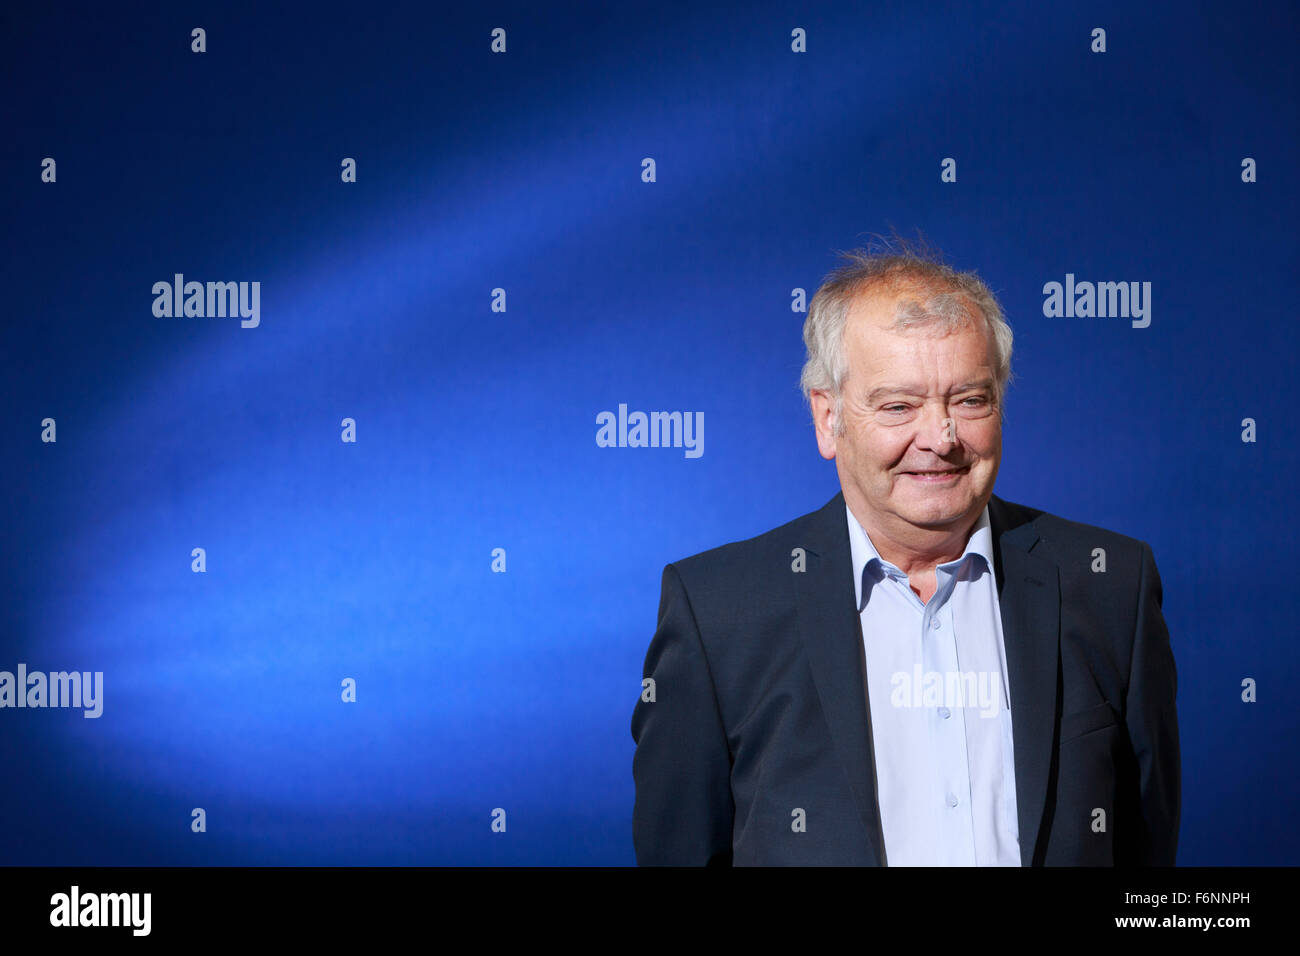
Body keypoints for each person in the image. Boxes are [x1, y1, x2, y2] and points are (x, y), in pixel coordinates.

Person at [630, 239, 1180, 866]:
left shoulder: (1111, 585)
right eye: (899, 406)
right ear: (827, 418)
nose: (941, 438)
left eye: (970, 400)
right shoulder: (718, 614)